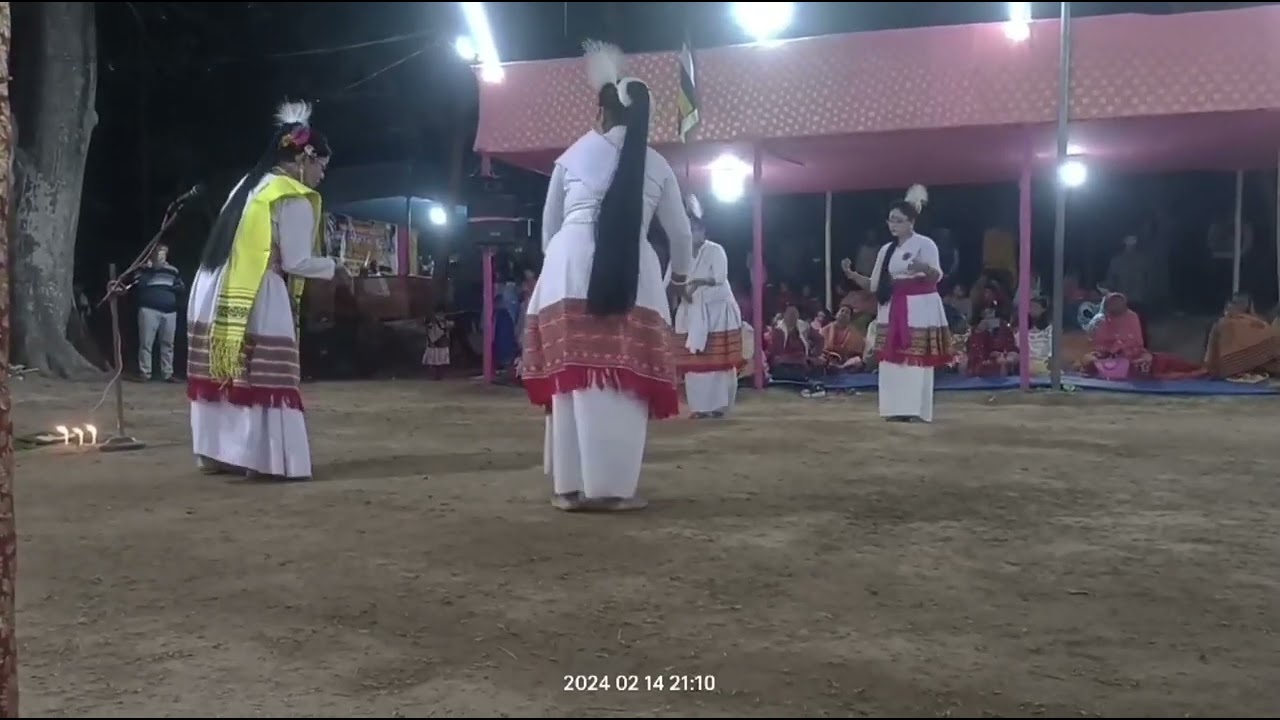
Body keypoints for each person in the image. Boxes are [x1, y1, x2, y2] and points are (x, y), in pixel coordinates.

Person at [520, 41, 694, 512]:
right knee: (623, 381)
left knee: (570, 380)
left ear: (601, 112)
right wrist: (679, 278)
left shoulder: (572, 156)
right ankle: (613, 490)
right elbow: (681, 236)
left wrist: (558, 265)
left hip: (566, 267)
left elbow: (550, 227)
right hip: (633, 274)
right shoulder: (657, 164)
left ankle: (568, 491)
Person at [186, 100, 349, 480]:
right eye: (321, 166)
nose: (322, 175)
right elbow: (296, 262)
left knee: (226, 369)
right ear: (303, 159)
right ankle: (268, 460)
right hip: (257, 287)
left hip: (216, 285)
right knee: (266, 373)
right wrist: (334, 268)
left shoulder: (250, 185)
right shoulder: (290, 195)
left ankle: (217, 452)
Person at [845, 185, 950, 422]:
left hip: (919, 307)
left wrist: (923, 268)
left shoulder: (926, 244)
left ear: (911, 221)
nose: (893, 225)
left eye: (898, 220)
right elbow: (875, 284)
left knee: (915, 360)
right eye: (891, 220)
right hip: (891, 307)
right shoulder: (886, 249)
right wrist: (852, 275)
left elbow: (936, 277)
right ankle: (893, 409)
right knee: (891, 361)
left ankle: (915, 409)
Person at [672, 194, 743, 419]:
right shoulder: (680, 251)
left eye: (695, 228)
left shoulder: (715, 250)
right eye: (688, 228)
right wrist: (682, 291)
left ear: (703, 230)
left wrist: (695, 283)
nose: (692, 233)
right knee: (695, 364)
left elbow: (720, 277)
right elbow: (671, 280)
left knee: (718, 363)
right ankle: (699, 408)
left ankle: (718, 407)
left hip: (717, 312)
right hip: (692, 312)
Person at [134, 243, 185, 382]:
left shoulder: (172, 270)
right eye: (159, 252)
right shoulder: (144, 269)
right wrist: (151, 269)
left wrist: (173, 289)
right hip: (149, 309)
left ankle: (167, 373)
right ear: (152, 253)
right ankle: (145, 373)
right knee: (146, 342)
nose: (161, 255)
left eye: (164, 252)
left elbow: (180, 286)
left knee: (168, 344)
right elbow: (139, 284)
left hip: (169, 311)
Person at [1203, 292, 1280, 380]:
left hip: (1263, 365)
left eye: (1239, 302)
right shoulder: (1224, 323)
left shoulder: (1257, 321)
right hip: (1232, 367)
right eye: (1234, 302)